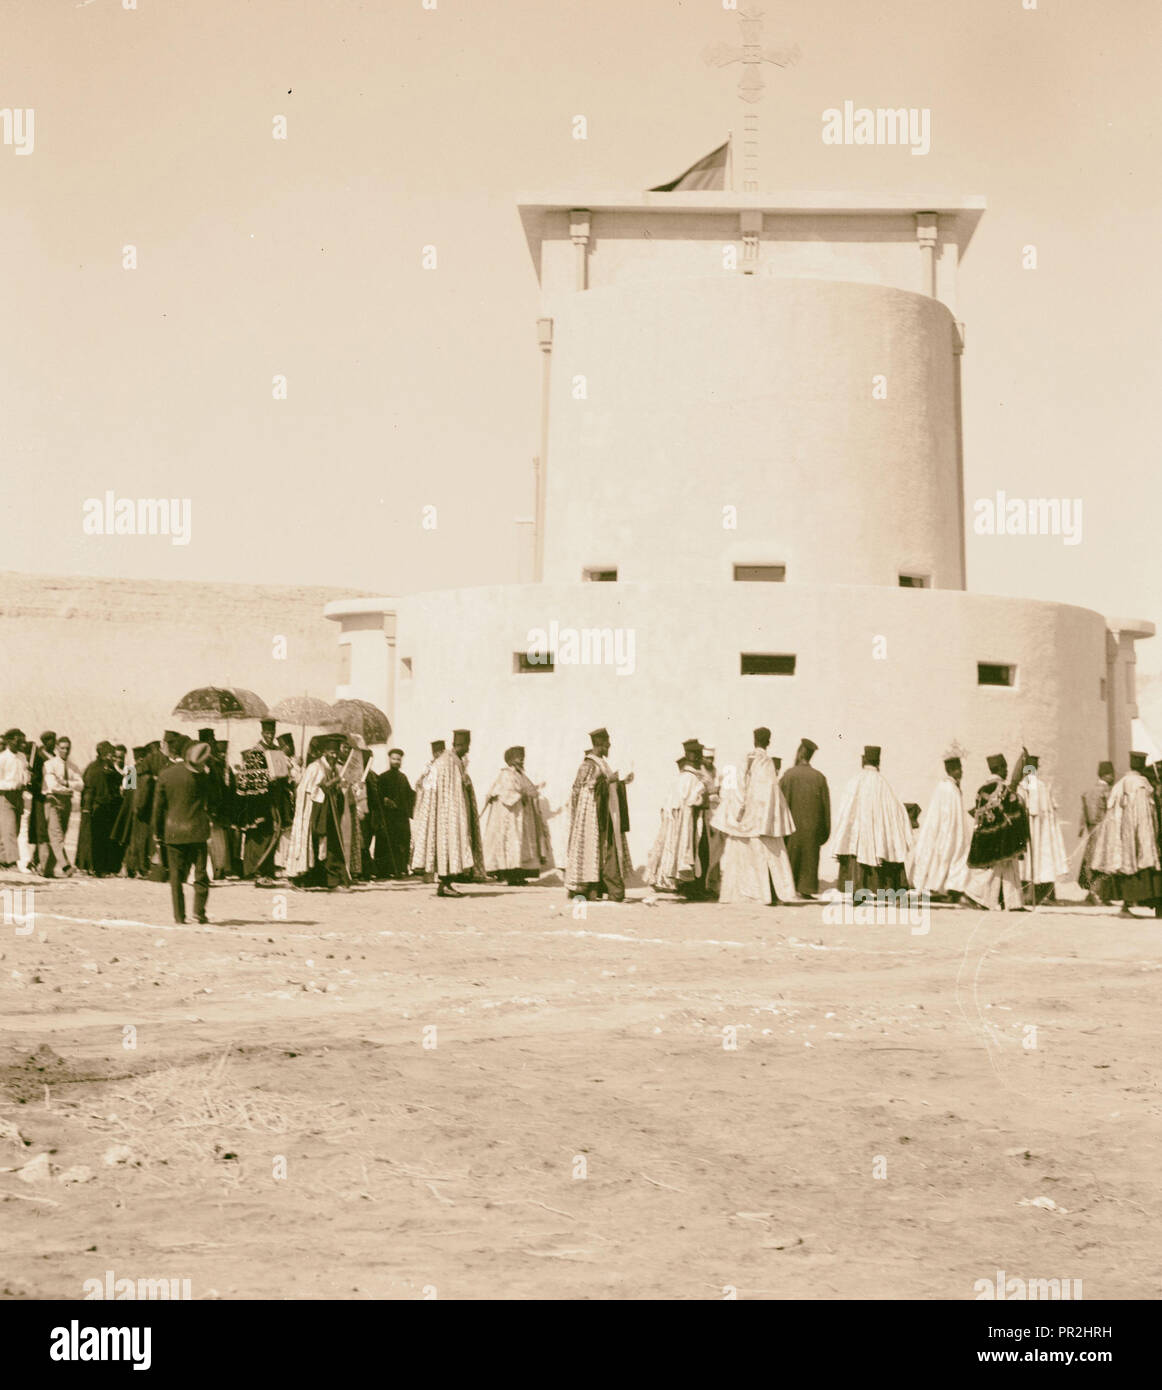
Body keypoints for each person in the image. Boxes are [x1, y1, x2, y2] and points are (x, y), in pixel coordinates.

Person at [712, 727, 798, 905]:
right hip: (763, 819)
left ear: (754, 740)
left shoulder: (747, 759)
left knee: (742, 855)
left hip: (746, 818)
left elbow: (739, 786)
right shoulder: (766, 762)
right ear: (768, 741)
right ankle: (768, 894)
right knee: (770, 856)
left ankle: (741, 894)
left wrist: (739, 811)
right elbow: (770, 792)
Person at [411, 730, 485, 896]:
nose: (468, 750)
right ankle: (444, 884)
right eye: (467, 746)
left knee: (450, 846)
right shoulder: (447, 762)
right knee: (447, 845)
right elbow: (444, 788)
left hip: (452, 812)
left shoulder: (453, 760)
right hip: (447, 814)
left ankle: (445, 884)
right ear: (461, 745)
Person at [1088, 751, 1162, 917]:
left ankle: (1126, 906)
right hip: (1136, 832)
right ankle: (1132, 906)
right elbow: (1143, 815)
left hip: (1120, 835)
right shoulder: (1141, 784)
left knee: (1124, 866)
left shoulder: (1120, 783)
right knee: (1139, 866)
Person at [565, 728, 633, 903]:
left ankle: (601, 890)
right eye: (607, 744)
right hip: (592, 815)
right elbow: (578, 790)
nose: (609, 747)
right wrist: (606, 781)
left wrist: (620, 782)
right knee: (593, 848)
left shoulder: (601, 763)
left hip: (605, 811)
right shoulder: (588, 764)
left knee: (602, 848)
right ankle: (588, 890)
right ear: (600, 745)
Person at [832, 746, 911, 894]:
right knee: (880, 854)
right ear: (878, 762)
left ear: (864, 760)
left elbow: (845, 809)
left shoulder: (854, 781)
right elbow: (895, 811)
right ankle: (885, 894)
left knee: (855, 858)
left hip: (857, 834)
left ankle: (854, 893)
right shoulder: (883, 784)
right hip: (877, 836)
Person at [151, 740, 214, 925]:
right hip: (197, 832)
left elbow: (158, 807)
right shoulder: (203, 777)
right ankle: (199, 912)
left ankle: (179, 916)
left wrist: (157, 831)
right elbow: (214, 800)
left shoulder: (164, 774)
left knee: (176, 877)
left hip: (173, 832)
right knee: (201, 874)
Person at [963, 752, 1030, 911]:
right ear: (999, 768)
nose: (1006, 771)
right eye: (1004, 768)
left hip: (987, 835)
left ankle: (1014, 903)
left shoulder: (982, 789)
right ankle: (973, 895)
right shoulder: (1001, 788)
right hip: (1000, 836)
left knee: (1006, 867)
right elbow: (1013, 805)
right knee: (992, 871)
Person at [286, 735, 354, 891]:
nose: (334, 755)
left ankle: (331, 881)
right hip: (314, 814)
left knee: (330, 847)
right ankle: (302, 880)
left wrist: (338, 787)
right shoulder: (314, 767)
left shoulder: (334, 769)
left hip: (330, 813)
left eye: (336, 752)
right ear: (324, 752)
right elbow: (304, 790)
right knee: (314, 845)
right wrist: (326, 786)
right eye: (331, 752)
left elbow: (335, 791)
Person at [646, 741, 710, 898]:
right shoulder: (691, 779)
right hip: (690, 823)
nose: (701, 757)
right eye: (698, 754)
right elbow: (692, 801)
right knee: (698, 853)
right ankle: (694, 889)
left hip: (683, 823)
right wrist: (705, 794)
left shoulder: (682, 777)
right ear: (692, 756)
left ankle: (688, 887)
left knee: (687, 853)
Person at [482, 745, 552, 885]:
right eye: (519, 758)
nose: (521, 760)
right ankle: (511, 876)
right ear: (511, 760)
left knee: (520, 847)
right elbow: (508, 794)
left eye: (522, 758)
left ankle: (519, 875)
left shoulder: (520, 774)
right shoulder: (507, 774)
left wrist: (533, 791)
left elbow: (528, 789)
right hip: (510, 817)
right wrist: (524, 794)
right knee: (511, 846)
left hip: (521, 816)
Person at [906, 754, 971, 901]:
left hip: (949, 832)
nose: (961, 772)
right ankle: (939, 888)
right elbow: (948, 816)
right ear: (951, 770)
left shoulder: (949, 786)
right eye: (958, 769)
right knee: (946, 857)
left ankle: (943, 888)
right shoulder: (948, 788)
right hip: (947, 832)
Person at [780, 738, 831, 898]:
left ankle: (790, 888)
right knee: (809, 859)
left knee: (792, 859)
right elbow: (826, 810)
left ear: (799, 753)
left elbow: (781, 805)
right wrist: (823, 833)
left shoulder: (788, 775)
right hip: (812, 831)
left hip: (792, 829)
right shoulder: (819, 777)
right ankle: (806, 889)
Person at [1017, 754, 1070, 905]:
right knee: (1040, 860)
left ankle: (1033, 893)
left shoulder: (1024, 785)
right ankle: (1036, 894)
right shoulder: (1036, 786)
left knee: (1031, 861)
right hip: (1040, 829)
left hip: (1034, 828)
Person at [76, 741, 122, 877]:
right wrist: (87, 808)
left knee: (98, 839)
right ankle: (96, 868)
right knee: (96, 840)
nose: (114, 757)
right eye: (111, 754)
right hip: (97, 809)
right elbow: (90, 790)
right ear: (105, 754)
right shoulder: (98, 768)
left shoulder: (105, 768)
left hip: (101, 809)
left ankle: (95, 867)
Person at [40, 735, 81, 877]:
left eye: (67, 748)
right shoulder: (49, 764)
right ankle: (66, 866)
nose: (65, 751)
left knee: (59, 836)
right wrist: (67, 787)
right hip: (53, 801)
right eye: (62, 748)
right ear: (57, 748)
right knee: (56, 834)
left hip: (67, 802)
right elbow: (52, 785)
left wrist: (66, 783)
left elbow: (81, 784)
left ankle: (47, 869)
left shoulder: (73, 766)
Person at [1078, 761, 1116, 905]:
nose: (1112, 777)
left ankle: (1091, 893)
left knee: (1091, 861)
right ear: (1105, 774)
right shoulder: (1107, 791)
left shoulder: (1088, 791)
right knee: (1102, 862)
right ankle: (1097, 894)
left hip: (1091, 831)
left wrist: (1082, 828)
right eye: (1110, 774)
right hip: (1104, 831)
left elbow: (1083, 814)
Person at [375, 748, 415, 878]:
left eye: (398, 759)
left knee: (402, 841)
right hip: (388, 817)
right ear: (389, 760)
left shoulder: (403, 778)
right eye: (394, 759)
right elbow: (378, 795)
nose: (396, 762)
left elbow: (409, 795)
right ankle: (384, 870)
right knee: (386, 842)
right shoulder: (383, 777)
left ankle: (401, 868)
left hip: (401, 817)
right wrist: (384, 799)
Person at [0, 729, 30, 870]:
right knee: (9, 830)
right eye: (19, 741)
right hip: (5, 796)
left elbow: (24, 775)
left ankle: (3, 860)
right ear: (10, 740)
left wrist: (26, 778)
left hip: (19, 796)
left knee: (14, 830)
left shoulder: (22, 757)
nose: (21, 744)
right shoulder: (2, 758)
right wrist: (12, 785)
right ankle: (12, 863)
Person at [27, 732, 56, 874]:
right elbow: (34, 776)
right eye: (51, 740)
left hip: (51, 796)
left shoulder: (54, 757)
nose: (53, 743)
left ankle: (37, 860)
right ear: (45, 742)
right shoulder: (38, 756)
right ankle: (37, 861)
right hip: (40, 797)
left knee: (49, 828)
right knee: (41, 828)